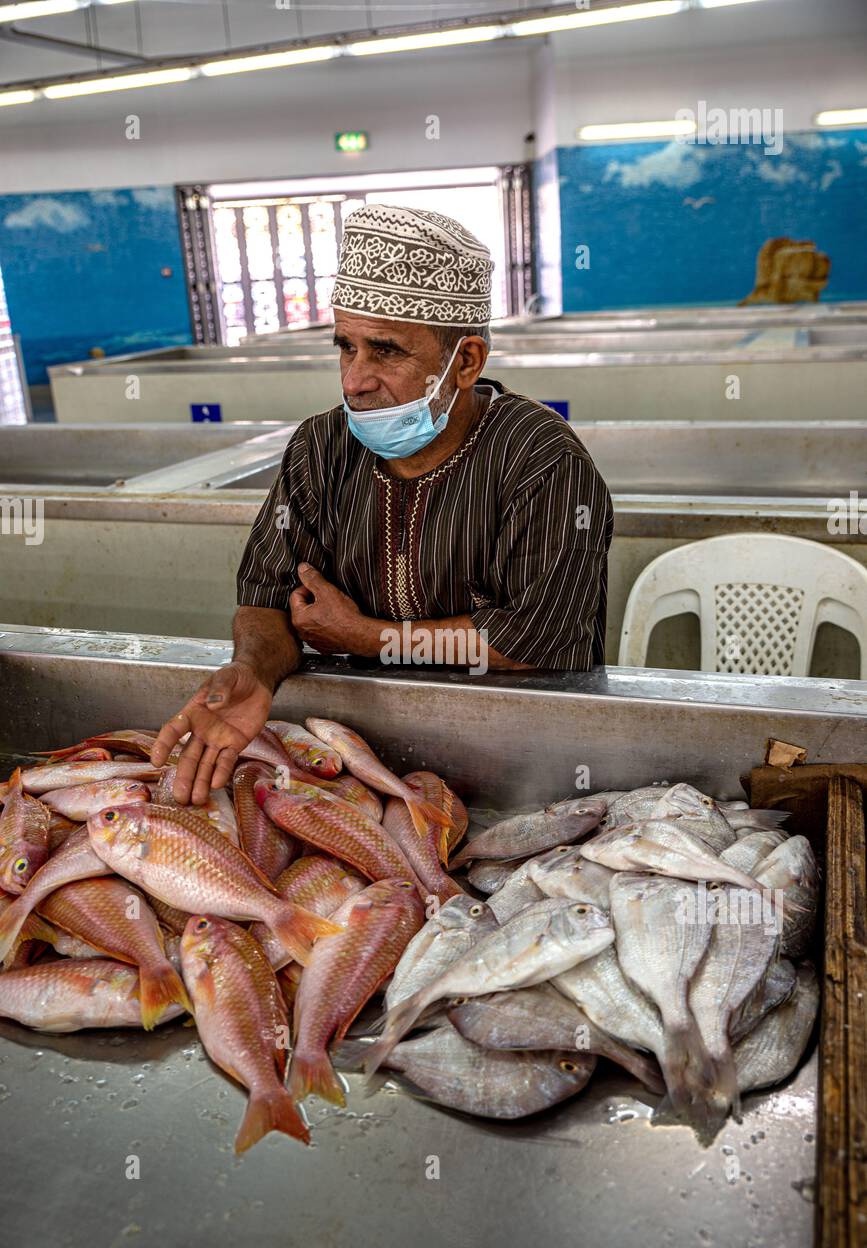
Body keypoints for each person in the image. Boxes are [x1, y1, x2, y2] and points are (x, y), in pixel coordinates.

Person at [152, 203, 613, 804]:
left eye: (386, 351)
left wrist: (364, 636)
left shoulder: (540, 459)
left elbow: (530, 641)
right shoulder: (321, 446)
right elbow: (267, 598)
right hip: (361, 752)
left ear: (466, 361)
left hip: (524, 756)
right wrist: (254, 669)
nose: (354, 380)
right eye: (346, 348)